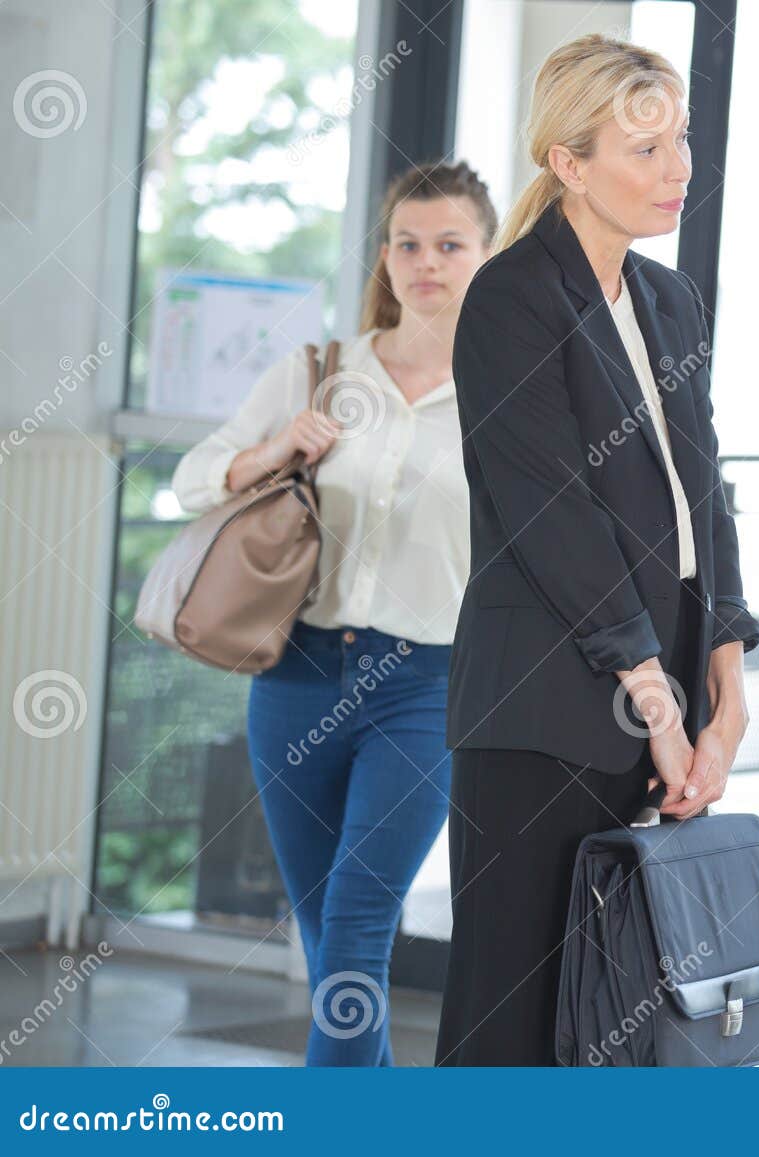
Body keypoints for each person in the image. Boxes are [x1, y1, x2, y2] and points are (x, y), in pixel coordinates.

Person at [433, 34, 759, 1067]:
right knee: (511, 1018)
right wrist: (656, 702)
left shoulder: (668, 299)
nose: (677, 172)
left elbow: (703, 493)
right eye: (644, 149)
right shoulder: (511, 297)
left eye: (682, 143)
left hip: (659, 687)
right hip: (545, 705)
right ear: (568, 163)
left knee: (620, 1017)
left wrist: (729, 680)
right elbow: (550, 514)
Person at [171, 160, 496, 1065]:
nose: (425, 262)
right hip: (297, 678)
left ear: (488, 253)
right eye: (407, 243)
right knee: (330, 952)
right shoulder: (319, 370)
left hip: (426, 686)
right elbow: (192, 477)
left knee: (355, 929)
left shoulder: (508, 391)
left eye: (450, 244)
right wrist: (273, 449)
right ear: (385, 256)